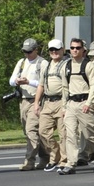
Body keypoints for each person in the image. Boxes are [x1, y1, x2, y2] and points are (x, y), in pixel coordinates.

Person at [57, 38, 94, 175]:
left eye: (78, 48)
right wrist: (64, 107)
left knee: (91, 136)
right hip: (71, 103)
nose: (75, 50)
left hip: (85, 103)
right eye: (72, 48)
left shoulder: (88, 65)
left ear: (83, 49)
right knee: (70, 135)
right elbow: (64, 87)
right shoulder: (66, 66)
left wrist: (89, 103)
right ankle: (71, 163)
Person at [9, 38, 49, 170]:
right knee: (29, 132)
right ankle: (46, 156)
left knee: (31, 130)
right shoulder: (21, 62)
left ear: (36, 50)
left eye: (30, 51)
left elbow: (44, 84)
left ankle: (29, 161)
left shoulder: (42, 63)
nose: (27, 54)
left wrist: (28, 82)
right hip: (23, 101)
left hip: (36, 100)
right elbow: (11, 80)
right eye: (25, 51)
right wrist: (17, 81)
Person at [33, 38, 68, 172]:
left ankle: (62, 160)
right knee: (43, 132)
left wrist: (65, 105)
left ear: (62, 50)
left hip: (61, 101)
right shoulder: (46, 66)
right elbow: (41, 85)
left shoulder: (66, 64)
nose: (54, 52)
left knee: (63, 134)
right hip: (47, 102)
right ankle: (55, 153)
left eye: (56, 49)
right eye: (51, 50)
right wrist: (37, 103)